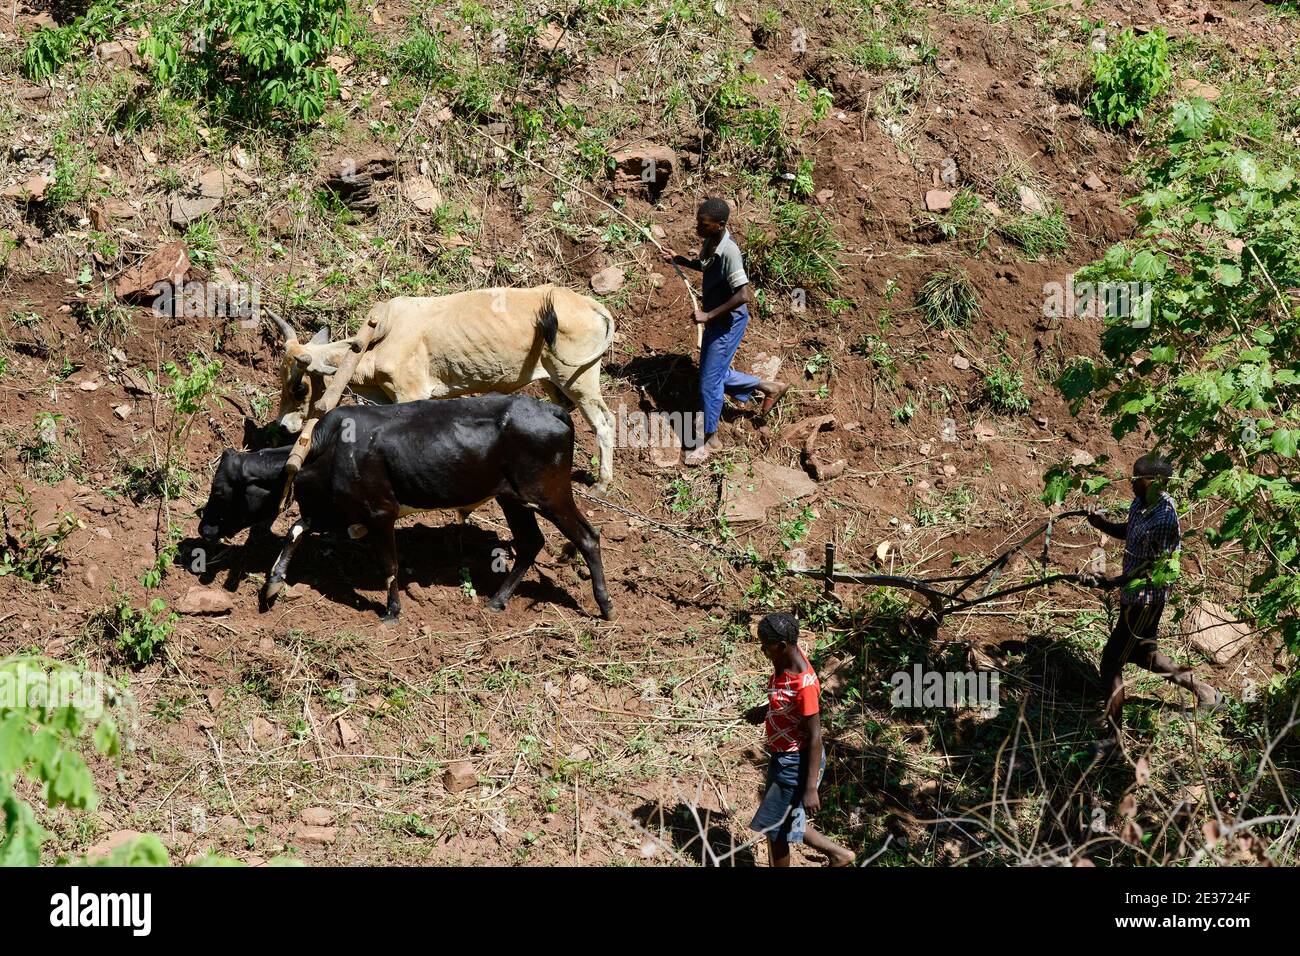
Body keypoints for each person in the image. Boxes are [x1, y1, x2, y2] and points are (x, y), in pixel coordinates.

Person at [1081, 452, 1223, 755]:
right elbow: (1129, 531)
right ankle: (1207, 692)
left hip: (1145, 599)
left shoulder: (1164, 518)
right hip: (1134, 596)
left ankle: (1114, 741)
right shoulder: (1142, 503)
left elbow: (1150, 569)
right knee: (1145, 655)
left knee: (1110, 664)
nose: (1131, 481)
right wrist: (1100, 523)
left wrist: (1110, 582)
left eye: (1137, 477)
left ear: (1154, 482)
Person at [661, 198, 788, 466]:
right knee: (713, 375)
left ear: (719, 225)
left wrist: (707, 314)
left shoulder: (730, 251)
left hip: (728, 322)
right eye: (698, 221)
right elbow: (705, 266)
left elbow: (743, 295)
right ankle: (769, 387)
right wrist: (680, 259)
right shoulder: (712, 243)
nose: (698, 227)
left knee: (708, 382)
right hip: (717, 321)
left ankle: (711, 438)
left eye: (703, 224)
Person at [743, 612, 855, 866]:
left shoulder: (804, 684)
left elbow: (815, 736)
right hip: (782, 757)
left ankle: (839, 854)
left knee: (776, 827)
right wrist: (767, 709)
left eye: (765, 645)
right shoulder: (786, 658)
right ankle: (839, 855)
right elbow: (785, 698)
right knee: (782, 818)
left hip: (795, 762)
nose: (762, 649)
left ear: (782, 645)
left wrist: (810, 788)